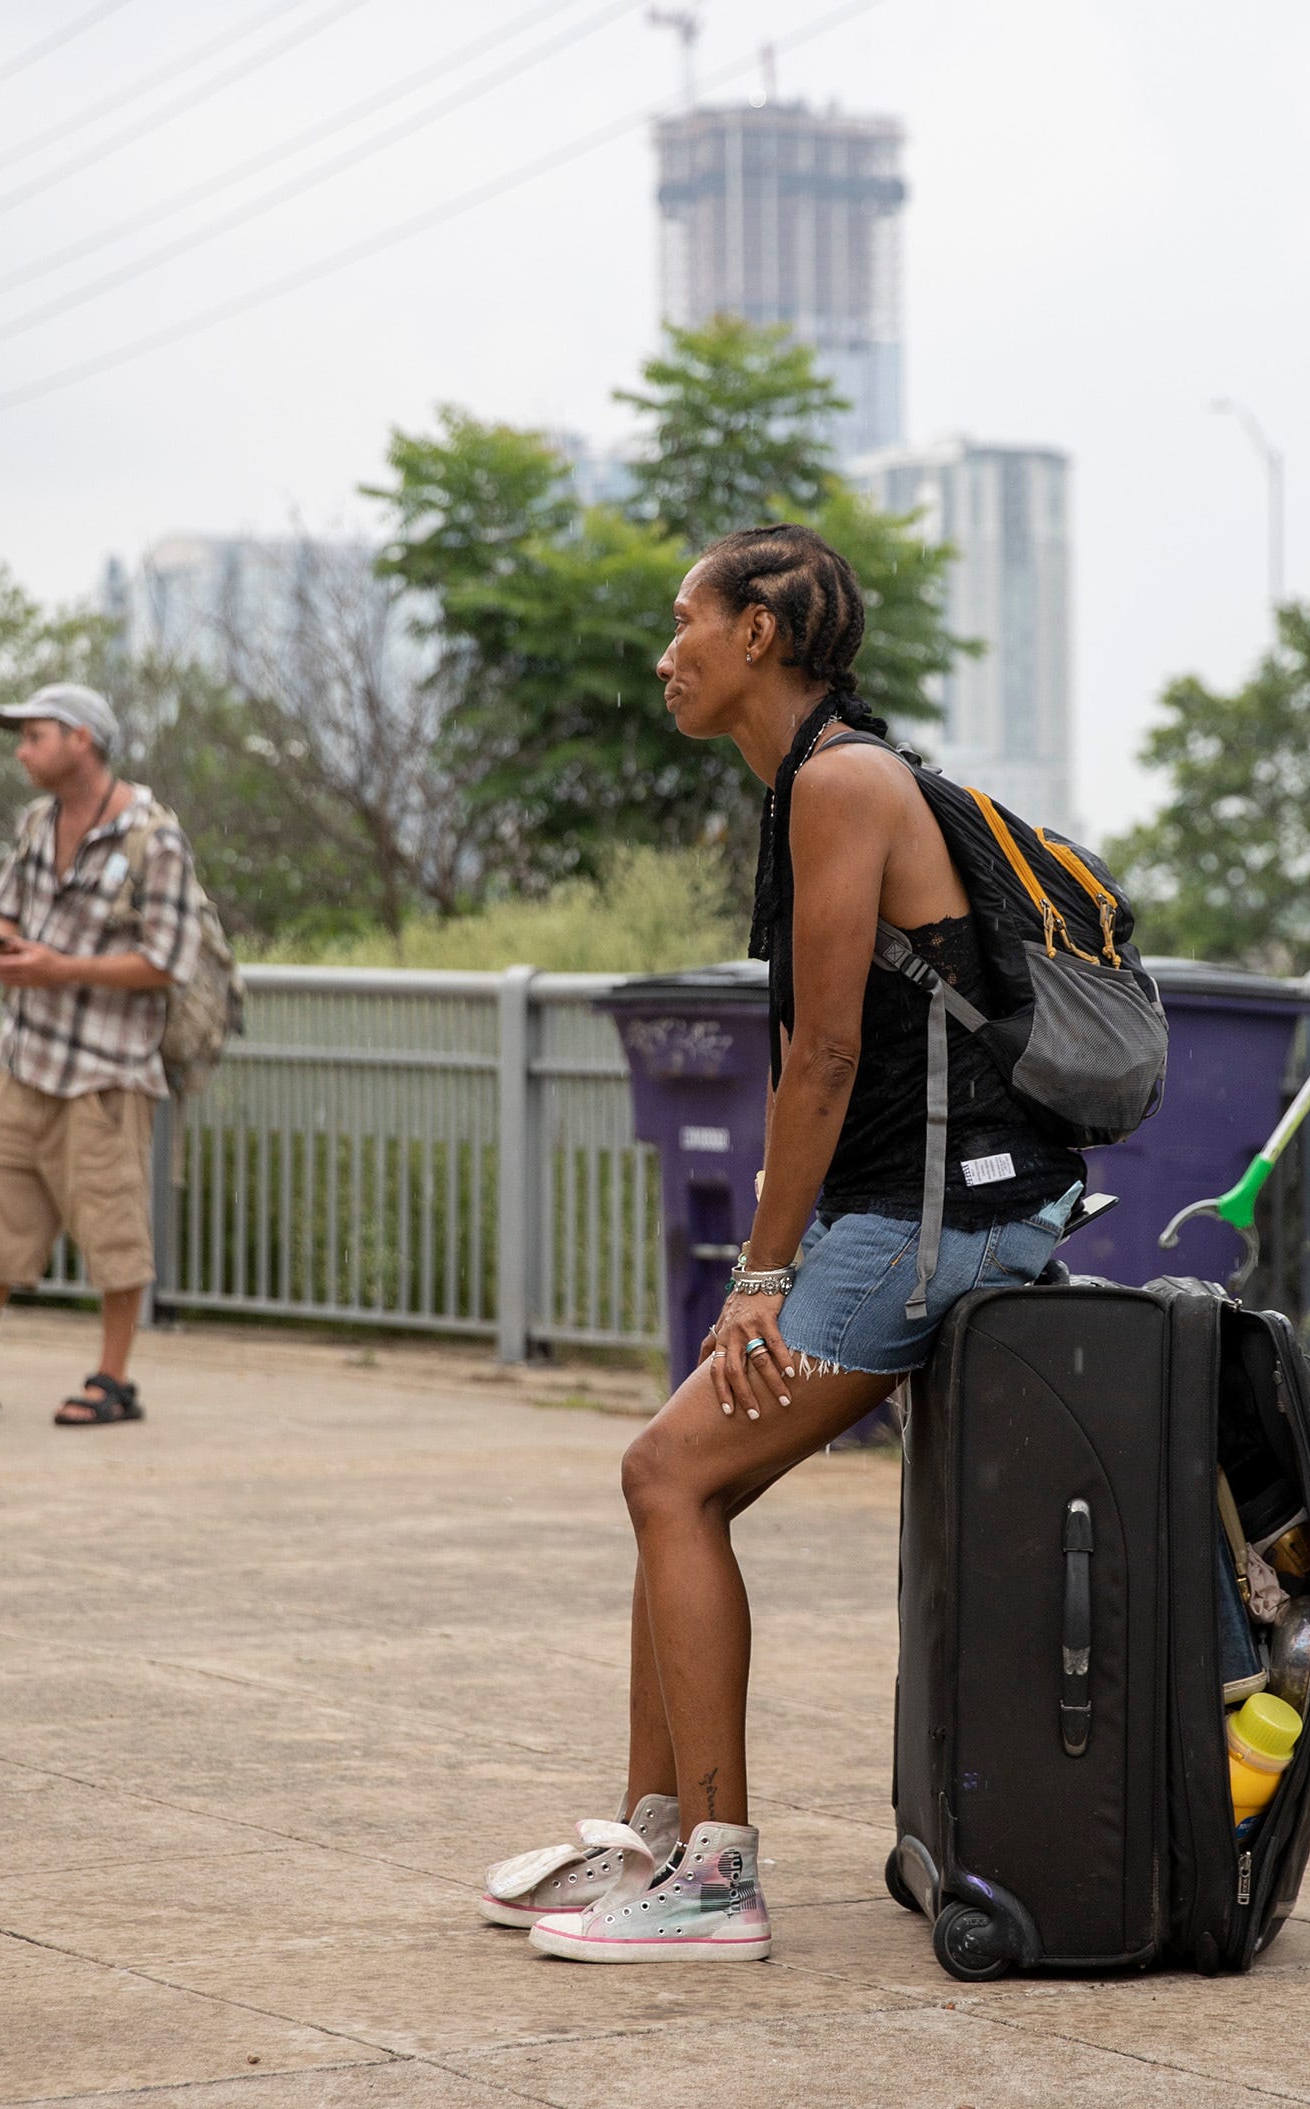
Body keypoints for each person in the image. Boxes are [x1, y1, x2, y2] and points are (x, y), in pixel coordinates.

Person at [477, 524, 1084, 1963]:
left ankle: (717, 1877)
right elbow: (818, 1062)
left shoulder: (840, 781)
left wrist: (761, 1275)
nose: (665, 655)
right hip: (917, 1209)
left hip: (941, 1218)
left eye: (683, 620)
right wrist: (781, 1256)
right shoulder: (811, 781)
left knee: (666, 1473)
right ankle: (656, 1837)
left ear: (758, 632)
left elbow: (826, 1055)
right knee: (676, 1483)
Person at [0, 682, 204, 1427]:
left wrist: (58, 966)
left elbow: (169, 959)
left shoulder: (154, 838)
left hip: (109, 1067)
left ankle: (114, 1379)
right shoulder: (38, 823)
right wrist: (7, 946)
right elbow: (7, 911)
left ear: (83, 739)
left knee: (113, 1222)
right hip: (28, 1057)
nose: (22, 751)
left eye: (35, 735)